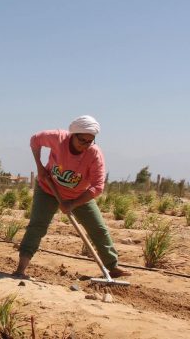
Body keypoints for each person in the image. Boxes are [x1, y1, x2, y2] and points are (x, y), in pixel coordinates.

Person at [13, 116, 131, 279]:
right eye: (82, 140)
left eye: (90, 141)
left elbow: (98, 186)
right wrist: (39, 166)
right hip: (48, 189)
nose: (85, 145)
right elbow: (35, 140)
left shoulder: (94, 154)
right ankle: (20, 270)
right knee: (37, 226)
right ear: (72, 135)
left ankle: (113, 267)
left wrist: (73, 203)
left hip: (78, 196)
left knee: (98, 229)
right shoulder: (58, 138)